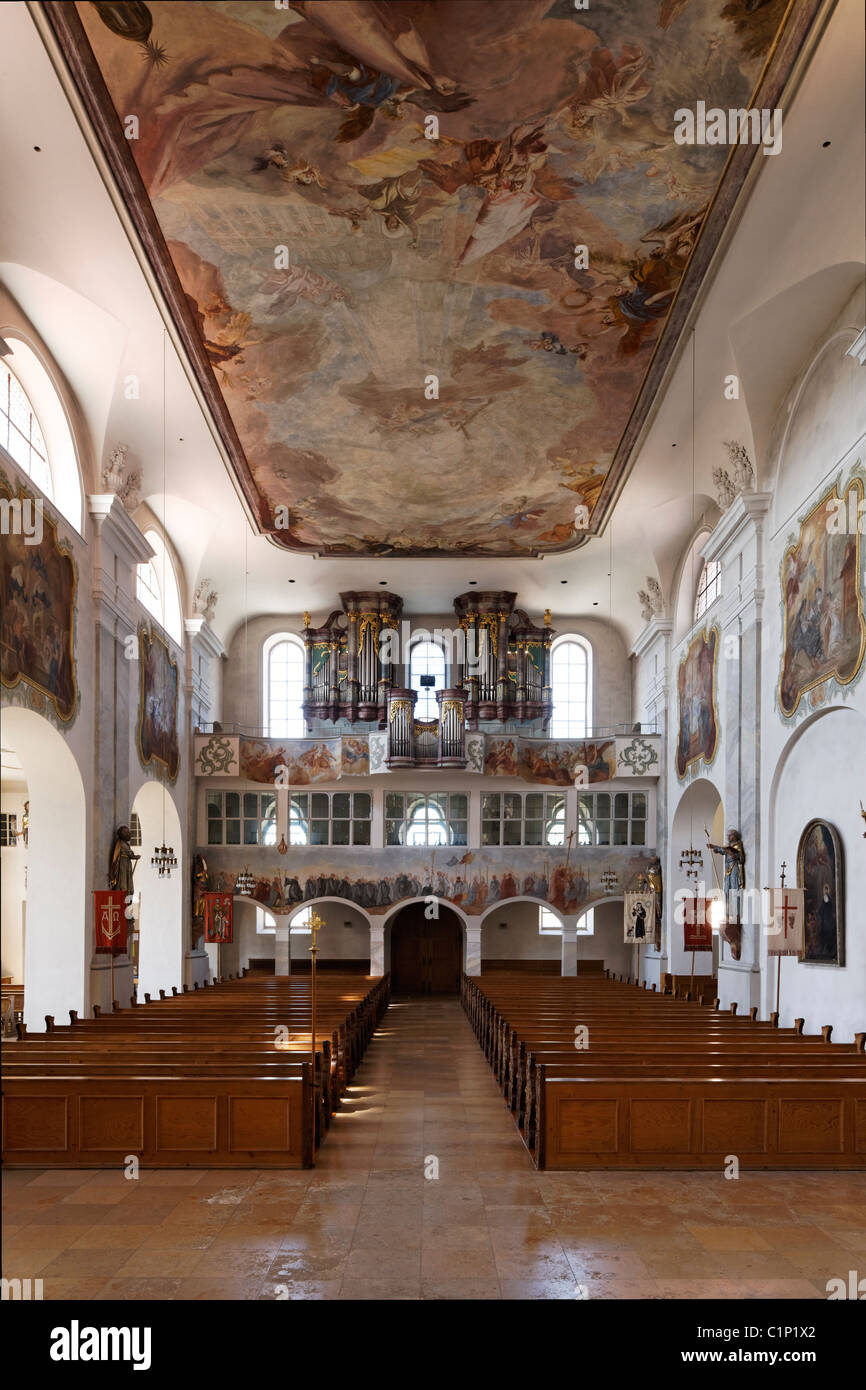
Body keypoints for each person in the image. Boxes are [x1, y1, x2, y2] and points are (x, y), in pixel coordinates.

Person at [108, 825, 140, 893]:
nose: (129, 834)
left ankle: (126, 895)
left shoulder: (124, 843)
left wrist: (134, 856)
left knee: (127, 880)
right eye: (127, 832)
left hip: (126, 865)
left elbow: (129, 853)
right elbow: (129, 854)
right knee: (123, 881)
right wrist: (135, 856)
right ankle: (122, 894)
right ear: (123, 834)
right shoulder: (121, 844)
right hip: (122, 866)